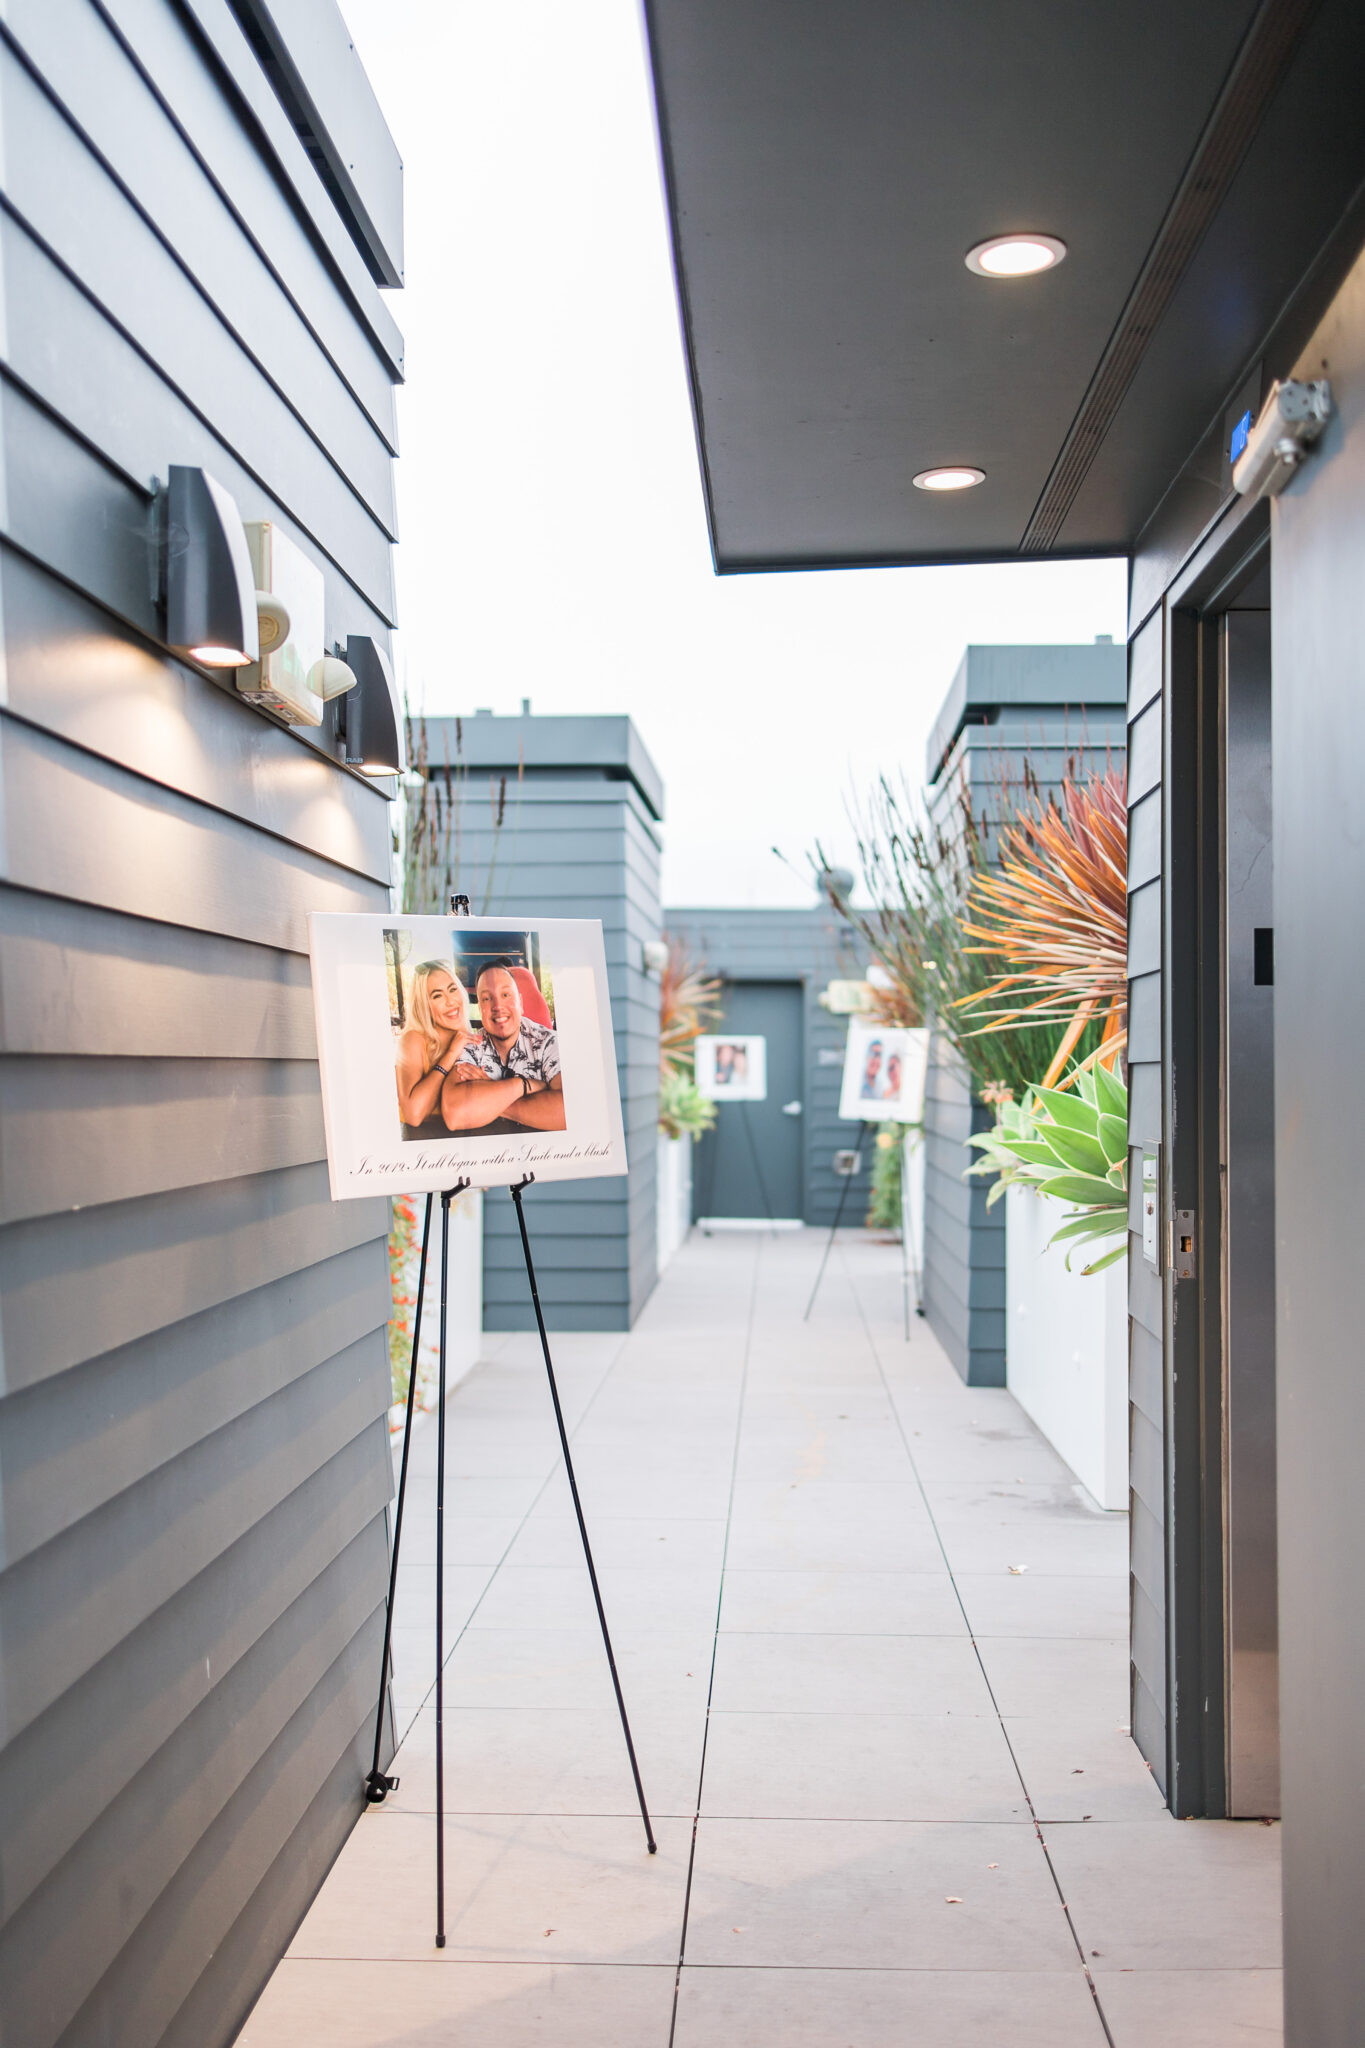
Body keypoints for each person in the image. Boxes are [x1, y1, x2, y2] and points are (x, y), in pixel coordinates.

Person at [395, 961, 548, 1140]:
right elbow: (414, 1115)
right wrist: (450, 1055)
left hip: (459, 1138)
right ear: (424, 1005)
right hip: (419, 1140)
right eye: (437, 996)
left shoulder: (469, 1037)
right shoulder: (414, 1039)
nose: (451, 1001)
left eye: (452, 990)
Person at [448, 959, 567, 1132]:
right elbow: (455, 1114)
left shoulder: (550, 1043)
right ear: (480, 1008)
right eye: (487, 998)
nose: (497, 1006)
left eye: (505, 995)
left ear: (521, 1003)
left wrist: (489, 1096)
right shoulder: (471, 1046)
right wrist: (525, 1085)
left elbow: (566, 1113)